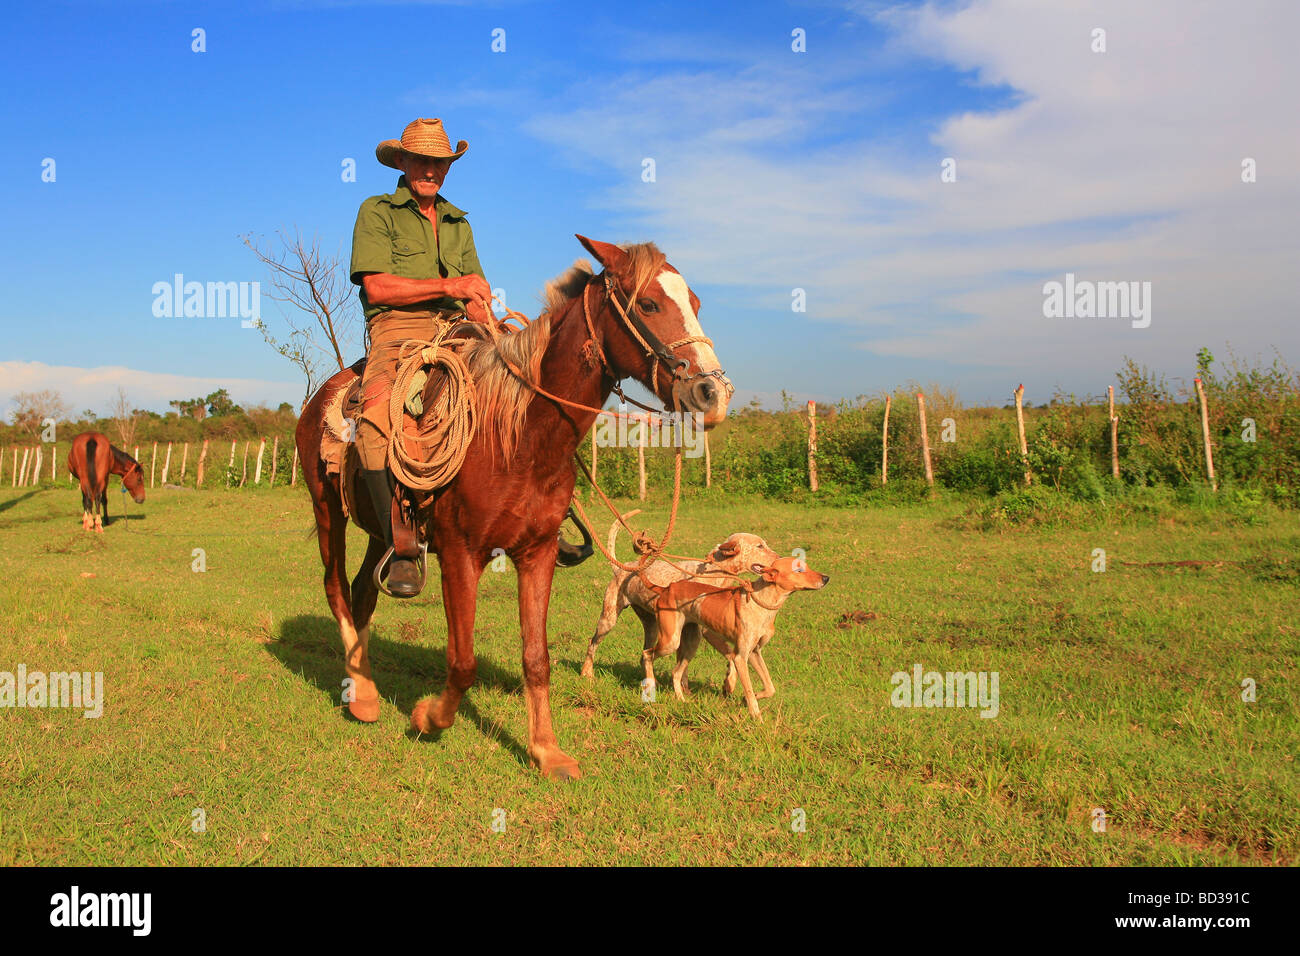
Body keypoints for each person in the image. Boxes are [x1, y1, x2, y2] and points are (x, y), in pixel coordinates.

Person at [350, 117, 492, 597]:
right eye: (422, 160)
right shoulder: (377, 211)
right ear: (404, 162)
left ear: (448, 168)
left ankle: (545, 520)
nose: (430, 169)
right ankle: (402, 545)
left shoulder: (458, 221)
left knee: (519, 390)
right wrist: (450, 286)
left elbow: (474, 289)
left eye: (439, 162)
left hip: (458, 330)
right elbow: (377, 285)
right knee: (373, 422)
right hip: (398, 329)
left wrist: (483, 309)